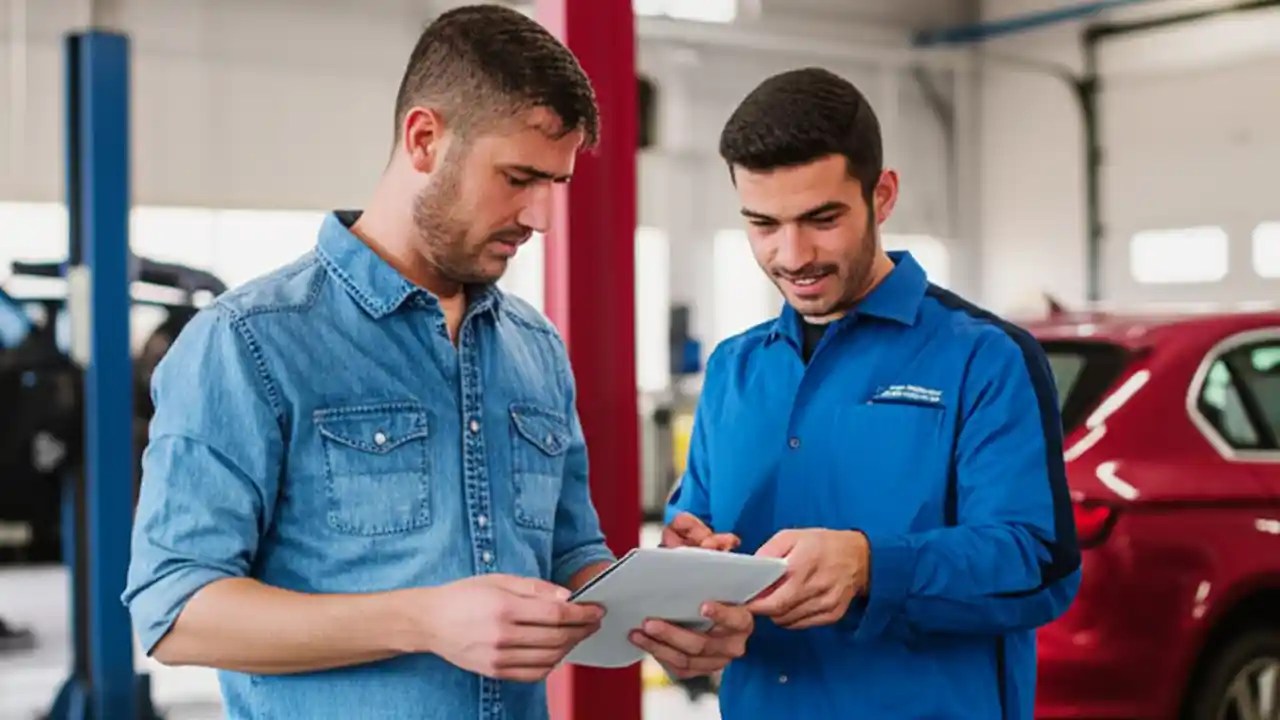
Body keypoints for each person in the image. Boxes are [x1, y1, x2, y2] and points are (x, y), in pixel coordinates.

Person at [123, 6, 750, 719]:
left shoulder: (534, 348)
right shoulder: (249, 343)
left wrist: (662, 599)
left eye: (556, 184)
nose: (542, 217)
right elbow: (173, 609)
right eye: (518, 177)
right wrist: (420, 620)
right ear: (424, 139)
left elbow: (570, 558)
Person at [662, 67, 1081, 719]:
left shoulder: (985, 358)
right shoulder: (733, 370)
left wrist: (868, 565)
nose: (792, 254)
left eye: (821, 219)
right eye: (763, 224)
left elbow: (1039, 564)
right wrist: (686, 594)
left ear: (881, 196)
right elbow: (696, 534)